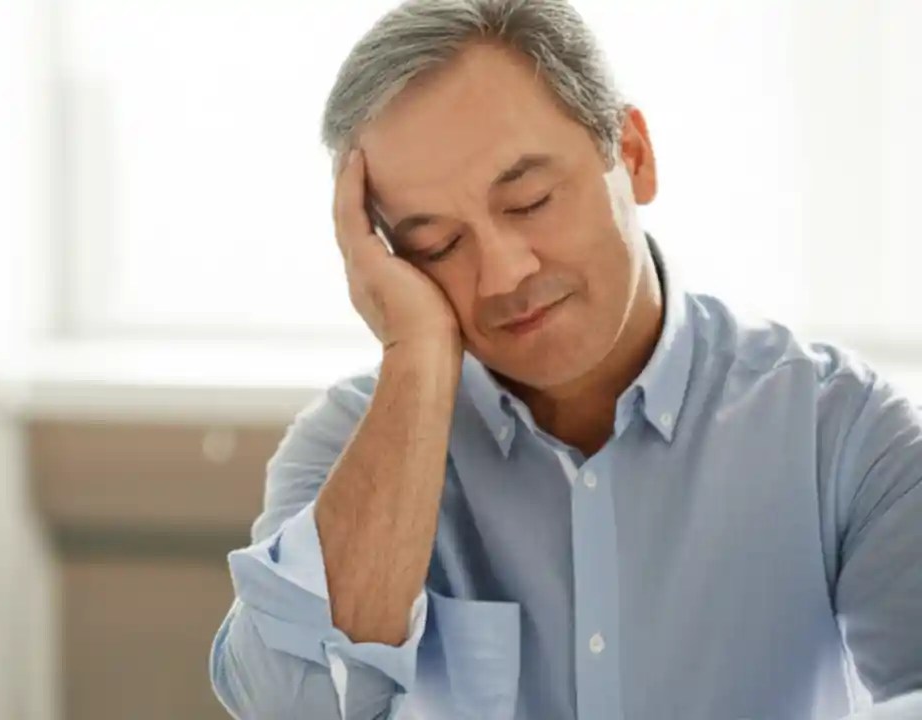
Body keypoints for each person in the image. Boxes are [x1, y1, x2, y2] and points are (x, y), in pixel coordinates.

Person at [208, 1, 922, 718]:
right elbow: (291, 706)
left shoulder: (840, 431)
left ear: (633, 155)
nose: (503, 275)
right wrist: (417, 356)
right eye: (437, 247)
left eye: (530, 201)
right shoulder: (349, 447)